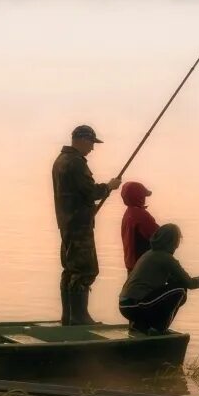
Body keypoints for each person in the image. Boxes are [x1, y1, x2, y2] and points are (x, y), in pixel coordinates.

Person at [52, 125, 121, 325]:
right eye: (91, 143)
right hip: (79, 224)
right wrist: (109, 187)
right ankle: (80, 317)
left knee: (70, 269)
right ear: (81, 140)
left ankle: (69, 317)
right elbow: (90, 192)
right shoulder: (75, 163)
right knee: (86, 269)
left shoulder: (60, 161)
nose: (92, 148)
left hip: (66, 223)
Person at [119, 224, 199, 334]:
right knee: (180, 290)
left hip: (125, 305)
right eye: (179, 240)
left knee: (178, 288)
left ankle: (141, 325)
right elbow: (190, 283)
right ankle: (160, 328)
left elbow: (180, 280)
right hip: (134, 305)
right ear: (173, 241)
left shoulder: (150, 253)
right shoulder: (166, 258)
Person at [121, 181, 160, 272]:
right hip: (142, 264)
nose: (144, 199)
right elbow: (157, 235)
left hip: (130, 263)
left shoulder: (128, 212)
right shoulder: (140, 215)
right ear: (139, 197)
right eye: (143, 196)